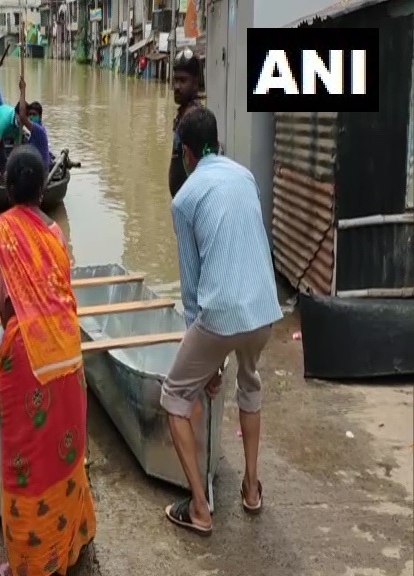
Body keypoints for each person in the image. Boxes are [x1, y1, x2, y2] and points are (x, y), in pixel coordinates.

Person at [0, 145, 96, 576]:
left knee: (24, 461)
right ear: (43, 190)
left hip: (26, 355)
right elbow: (62, 295)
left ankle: (27, 561)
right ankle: (66, 545)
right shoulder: (53, 233)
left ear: (6, 188)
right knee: (65, 451)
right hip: (66, 350)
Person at [160, 108, 283, 536]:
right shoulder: (244, 176)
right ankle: (251, 489)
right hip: (264, 308)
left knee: (175, 396)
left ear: (188, 153)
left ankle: (199, 507)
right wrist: (215, 364)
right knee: (250, 385)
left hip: (221, 313)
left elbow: (192, 292)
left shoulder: (185, 198)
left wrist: (207, 364)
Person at [169, 48, 201, 198]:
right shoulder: (184, 113)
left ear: (195, 84)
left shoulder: (195, 119)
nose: (177, 86)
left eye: (183, 81)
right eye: (175, 80)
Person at [17, 76, 50, 168]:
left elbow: (22, 117)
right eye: (30, 114)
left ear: (40, 117)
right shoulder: (35, 131)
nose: (31, 117)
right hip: (36, 166)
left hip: (40, 171)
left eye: (34, 114)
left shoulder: (39, 130)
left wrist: (23, 91)